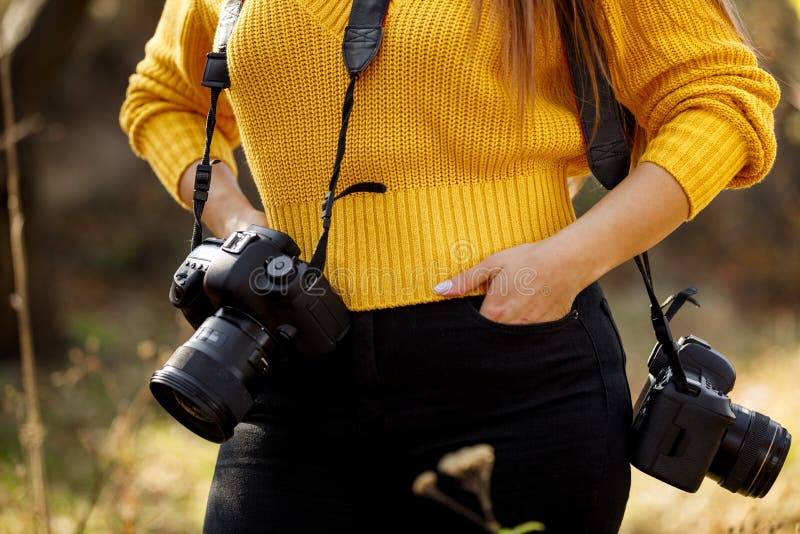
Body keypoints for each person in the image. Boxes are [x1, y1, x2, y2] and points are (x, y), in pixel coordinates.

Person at [120, 0, 778, 532]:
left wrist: (568, 262)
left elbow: (719, 99)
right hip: (288, 364)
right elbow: (161, 98)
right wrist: (238, 223)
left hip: (519, 370)